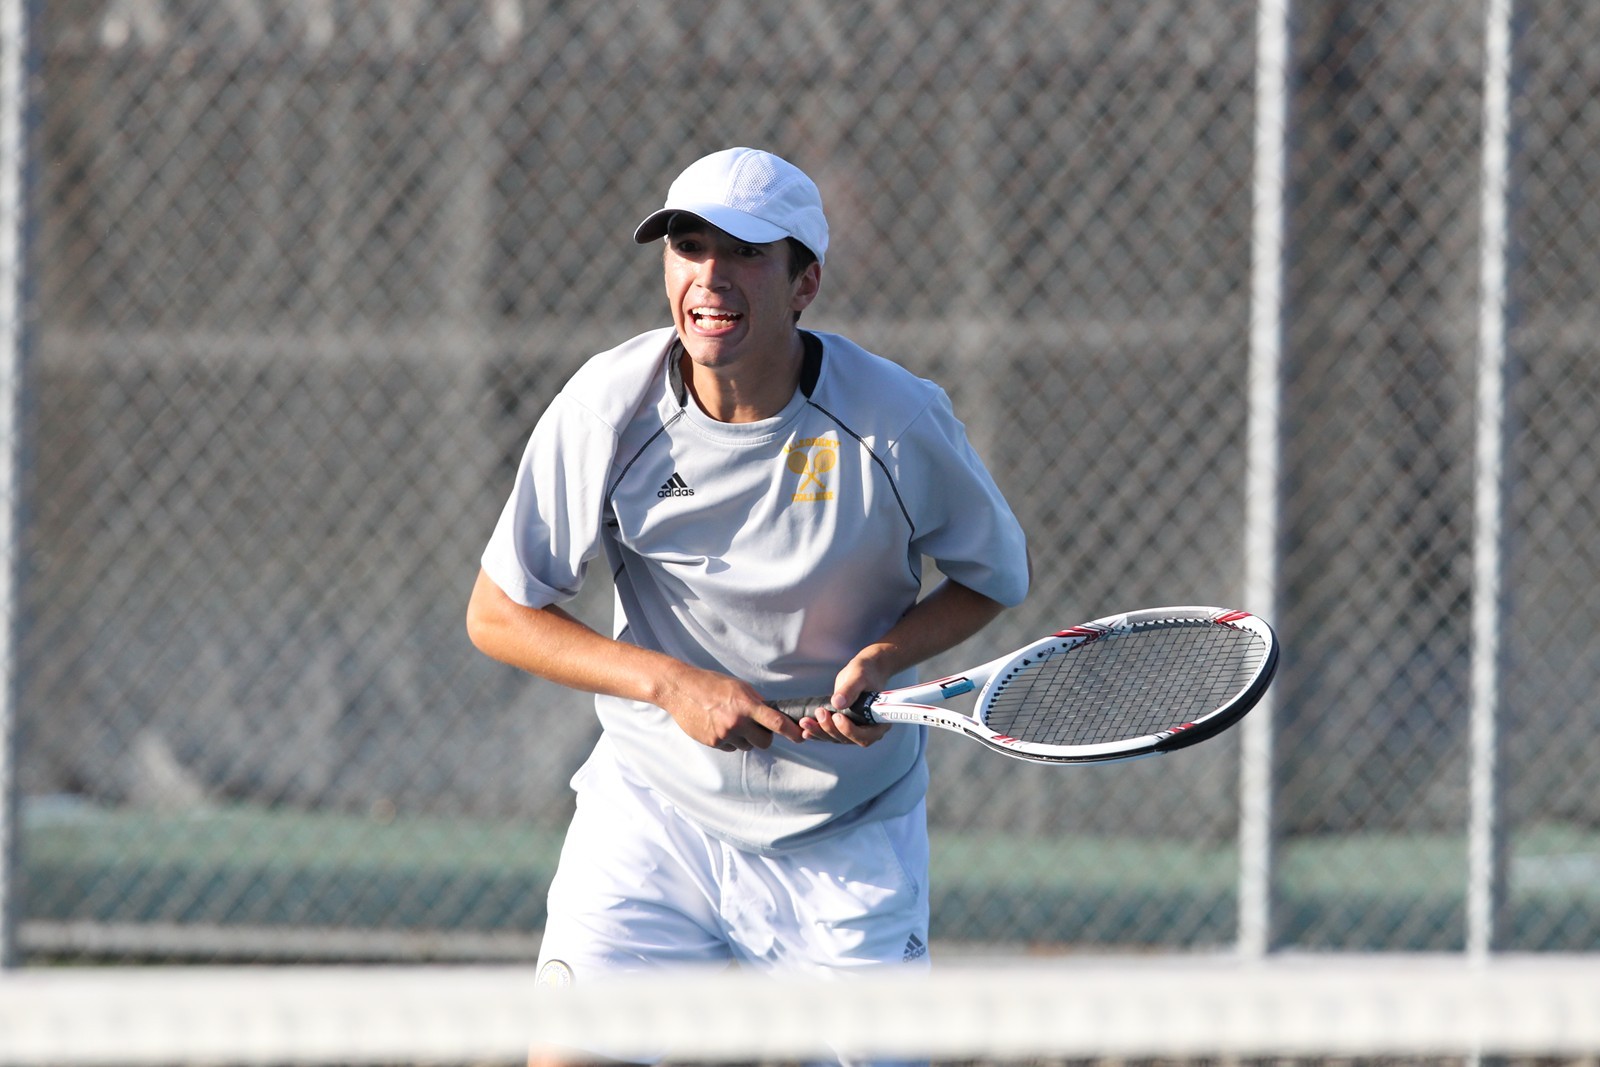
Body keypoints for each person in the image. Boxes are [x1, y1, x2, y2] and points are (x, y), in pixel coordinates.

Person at [465, 146, 1029, 1064]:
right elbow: (497, 613)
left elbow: (993, 577)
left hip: (847, 835)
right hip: (653, 812)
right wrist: (673, 686)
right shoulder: (610, 407)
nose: (710, 278)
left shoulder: (898, 419)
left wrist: (885, 656)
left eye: (745, 253)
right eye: (688, 247)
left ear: (805, 283)